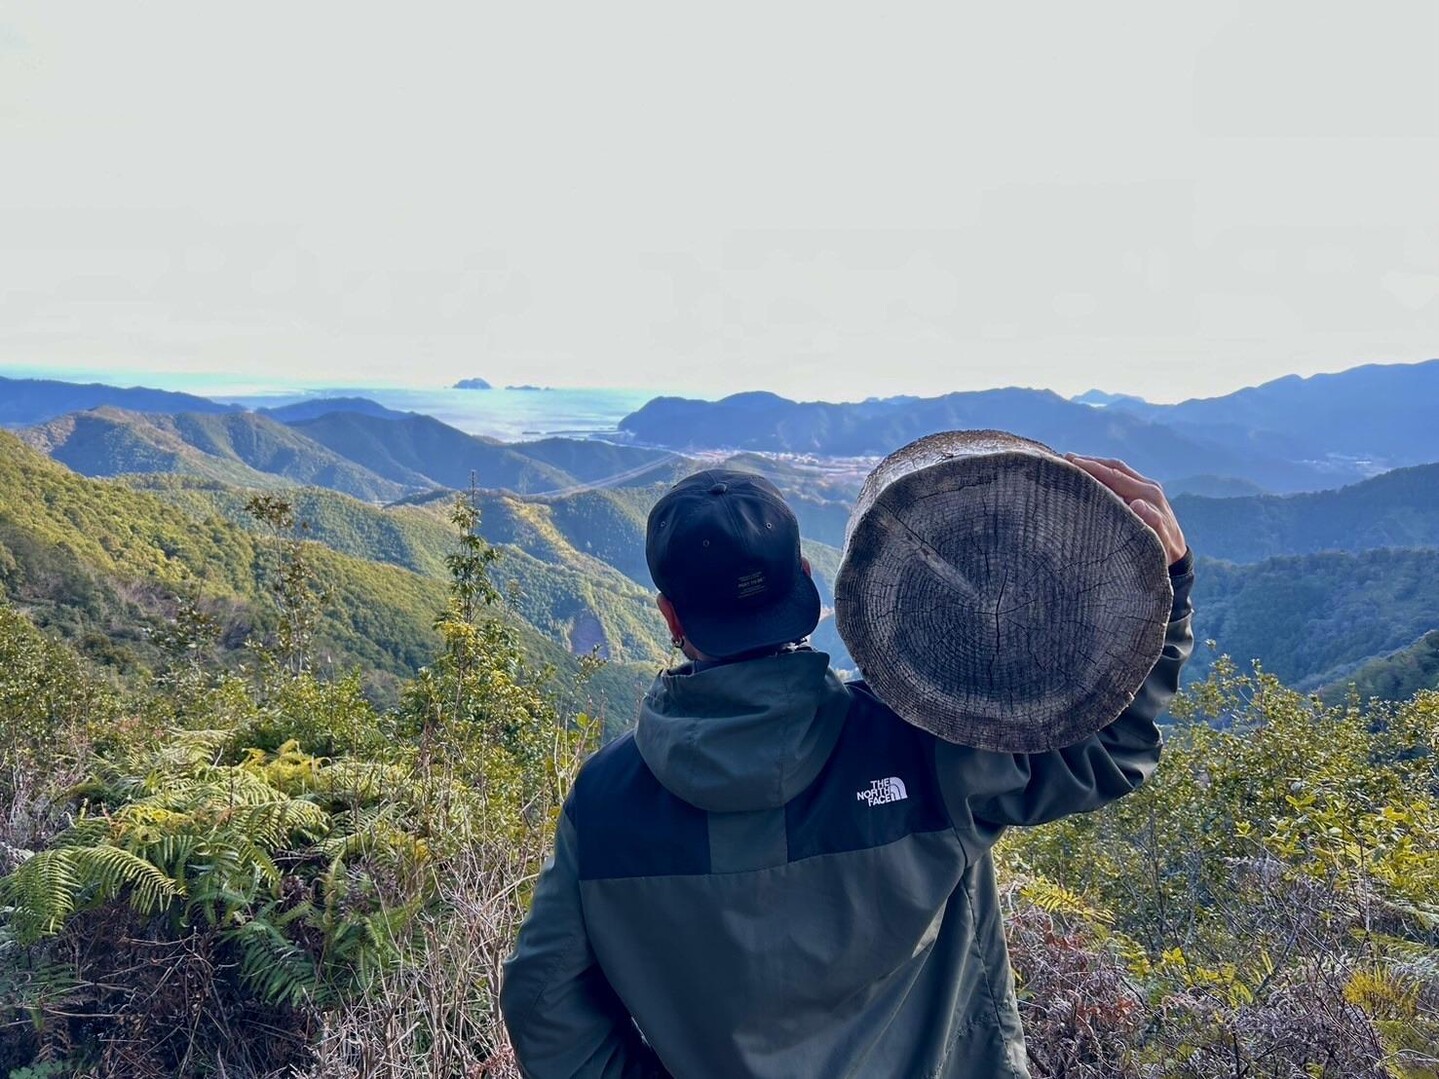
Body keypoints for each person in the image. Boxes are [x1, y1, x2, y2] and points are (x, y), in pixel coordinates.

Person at [501, 456, 1194, 1078]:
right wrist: (1164, 589)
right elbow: (1108, 750)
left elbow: (541, 997)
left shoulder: (604, 802)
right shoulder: (921, 744)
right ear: (804, 580)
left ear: (668, 613)